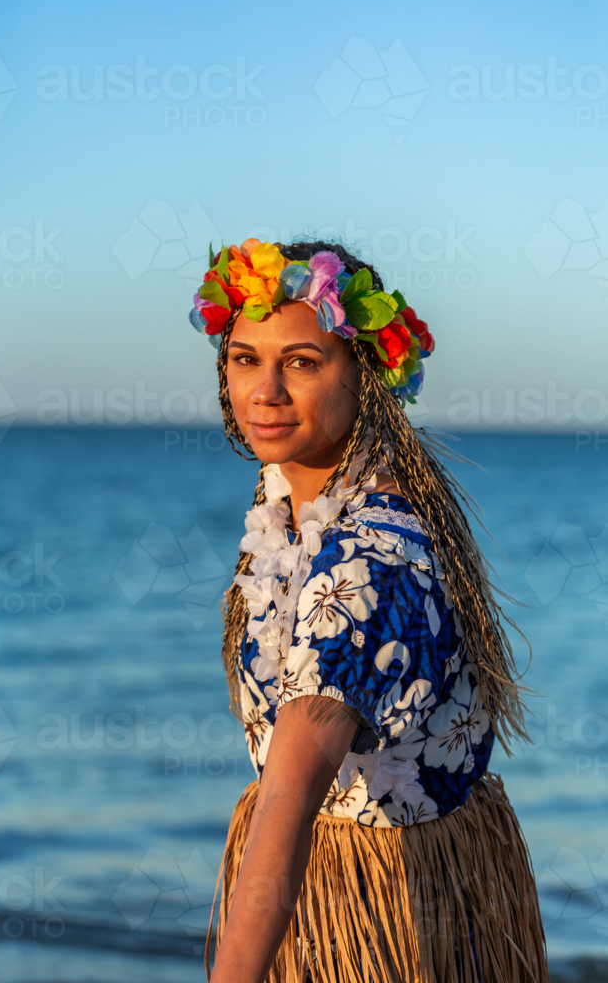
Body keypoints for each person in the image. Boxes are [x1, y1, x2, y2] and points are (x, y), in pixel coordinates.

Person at [189, 238, 549, 983]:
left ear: (367, 377)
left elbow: (287, 800)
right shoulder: (301, 509)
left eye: (301, 362)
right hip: (385, 884)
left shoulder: (363, 566)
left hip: (384, 913)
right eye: (244, 358)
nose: (265, 392)